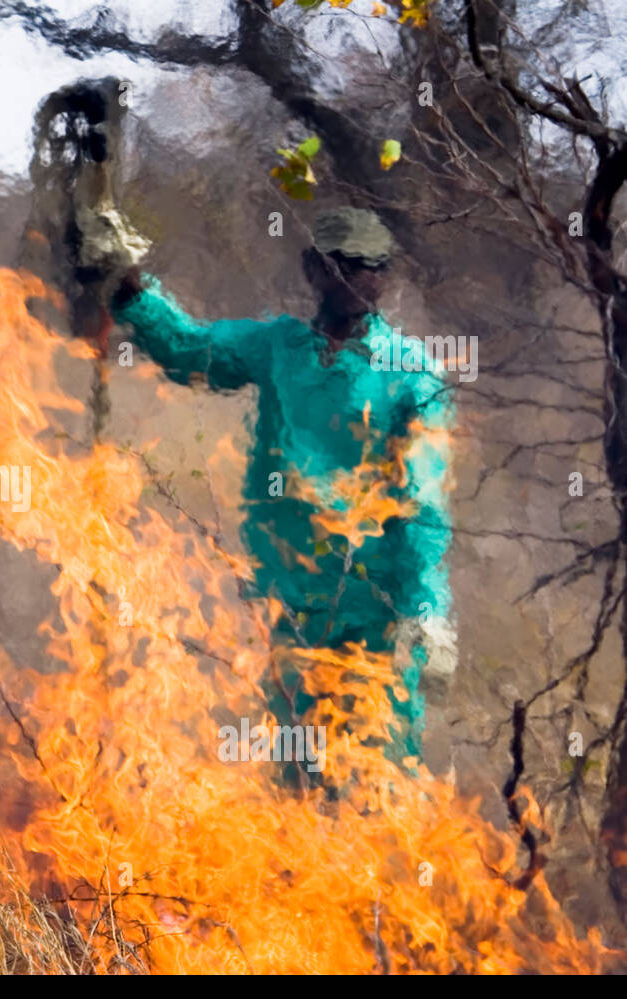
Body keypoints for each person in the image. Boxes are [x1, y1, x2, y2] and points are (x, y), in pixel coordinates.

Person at [88, 206, 456, 761]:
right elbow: (189, 350)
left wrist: (426, 613)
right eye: (349, 263)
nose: (364, 278)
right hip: (290, 601)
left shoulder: (411, 374)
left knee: (381, 766)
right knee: (297, 764)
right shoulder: (277, 347)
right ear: (314, 268)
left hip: (375, 605)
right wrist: (127, 283)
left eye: (375, 265)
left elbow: (422, 508)